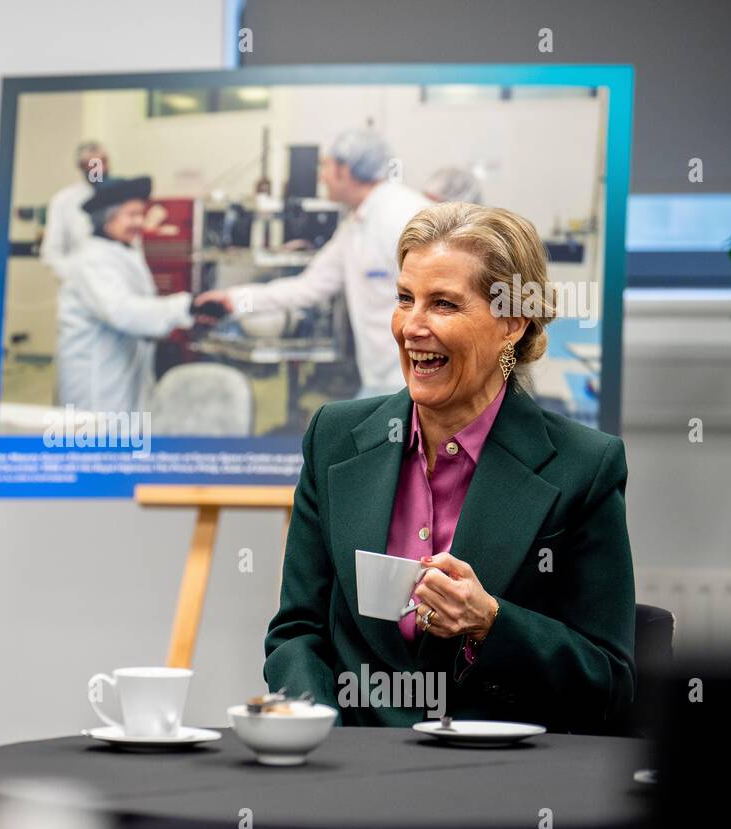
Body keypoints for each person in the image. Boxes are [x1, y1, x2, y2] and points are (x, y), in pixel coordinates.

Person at [263, 202, 635, 733]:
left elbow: (611, 683)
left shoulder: (583, 467)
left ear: (511, 321)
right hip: (352, 773)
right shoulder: (334, 439)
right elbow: (298, 632)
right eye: (404, 299)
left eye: (443, 304)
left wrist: (491, 624)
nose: (411, 327)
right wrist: (319, 734)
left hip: (499, 783)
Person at [194, 127, 431, 399]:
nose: (321, 176)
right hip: (384, 381)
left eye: (326, 167)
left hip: (416, 381)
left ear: (346, 170)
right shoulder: (356, 224)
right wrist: (234, 300)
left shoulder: (405, 216)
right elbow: (310, 286)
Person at [55, 175, 203, 413]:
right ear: (106, 218)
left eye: (140, 214)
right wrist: (186, 306)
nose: (139, 222)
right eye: (131, 215)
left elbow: (143, 305)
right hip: (96, 377)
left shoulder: (124, 252)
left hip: (123, 369)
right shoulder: (91, 260)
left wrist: (185, 313)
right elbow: (122, 312)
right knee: (93, 443)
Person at [40, 141, 107, 281]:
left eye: (102, 162)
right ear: (81, 166)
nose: (99, 168)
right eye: (92, 163)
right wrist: (75, 279)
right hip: (78, 284)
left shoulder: (120, 198)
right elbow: (51, 252)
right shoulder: (63, 201)